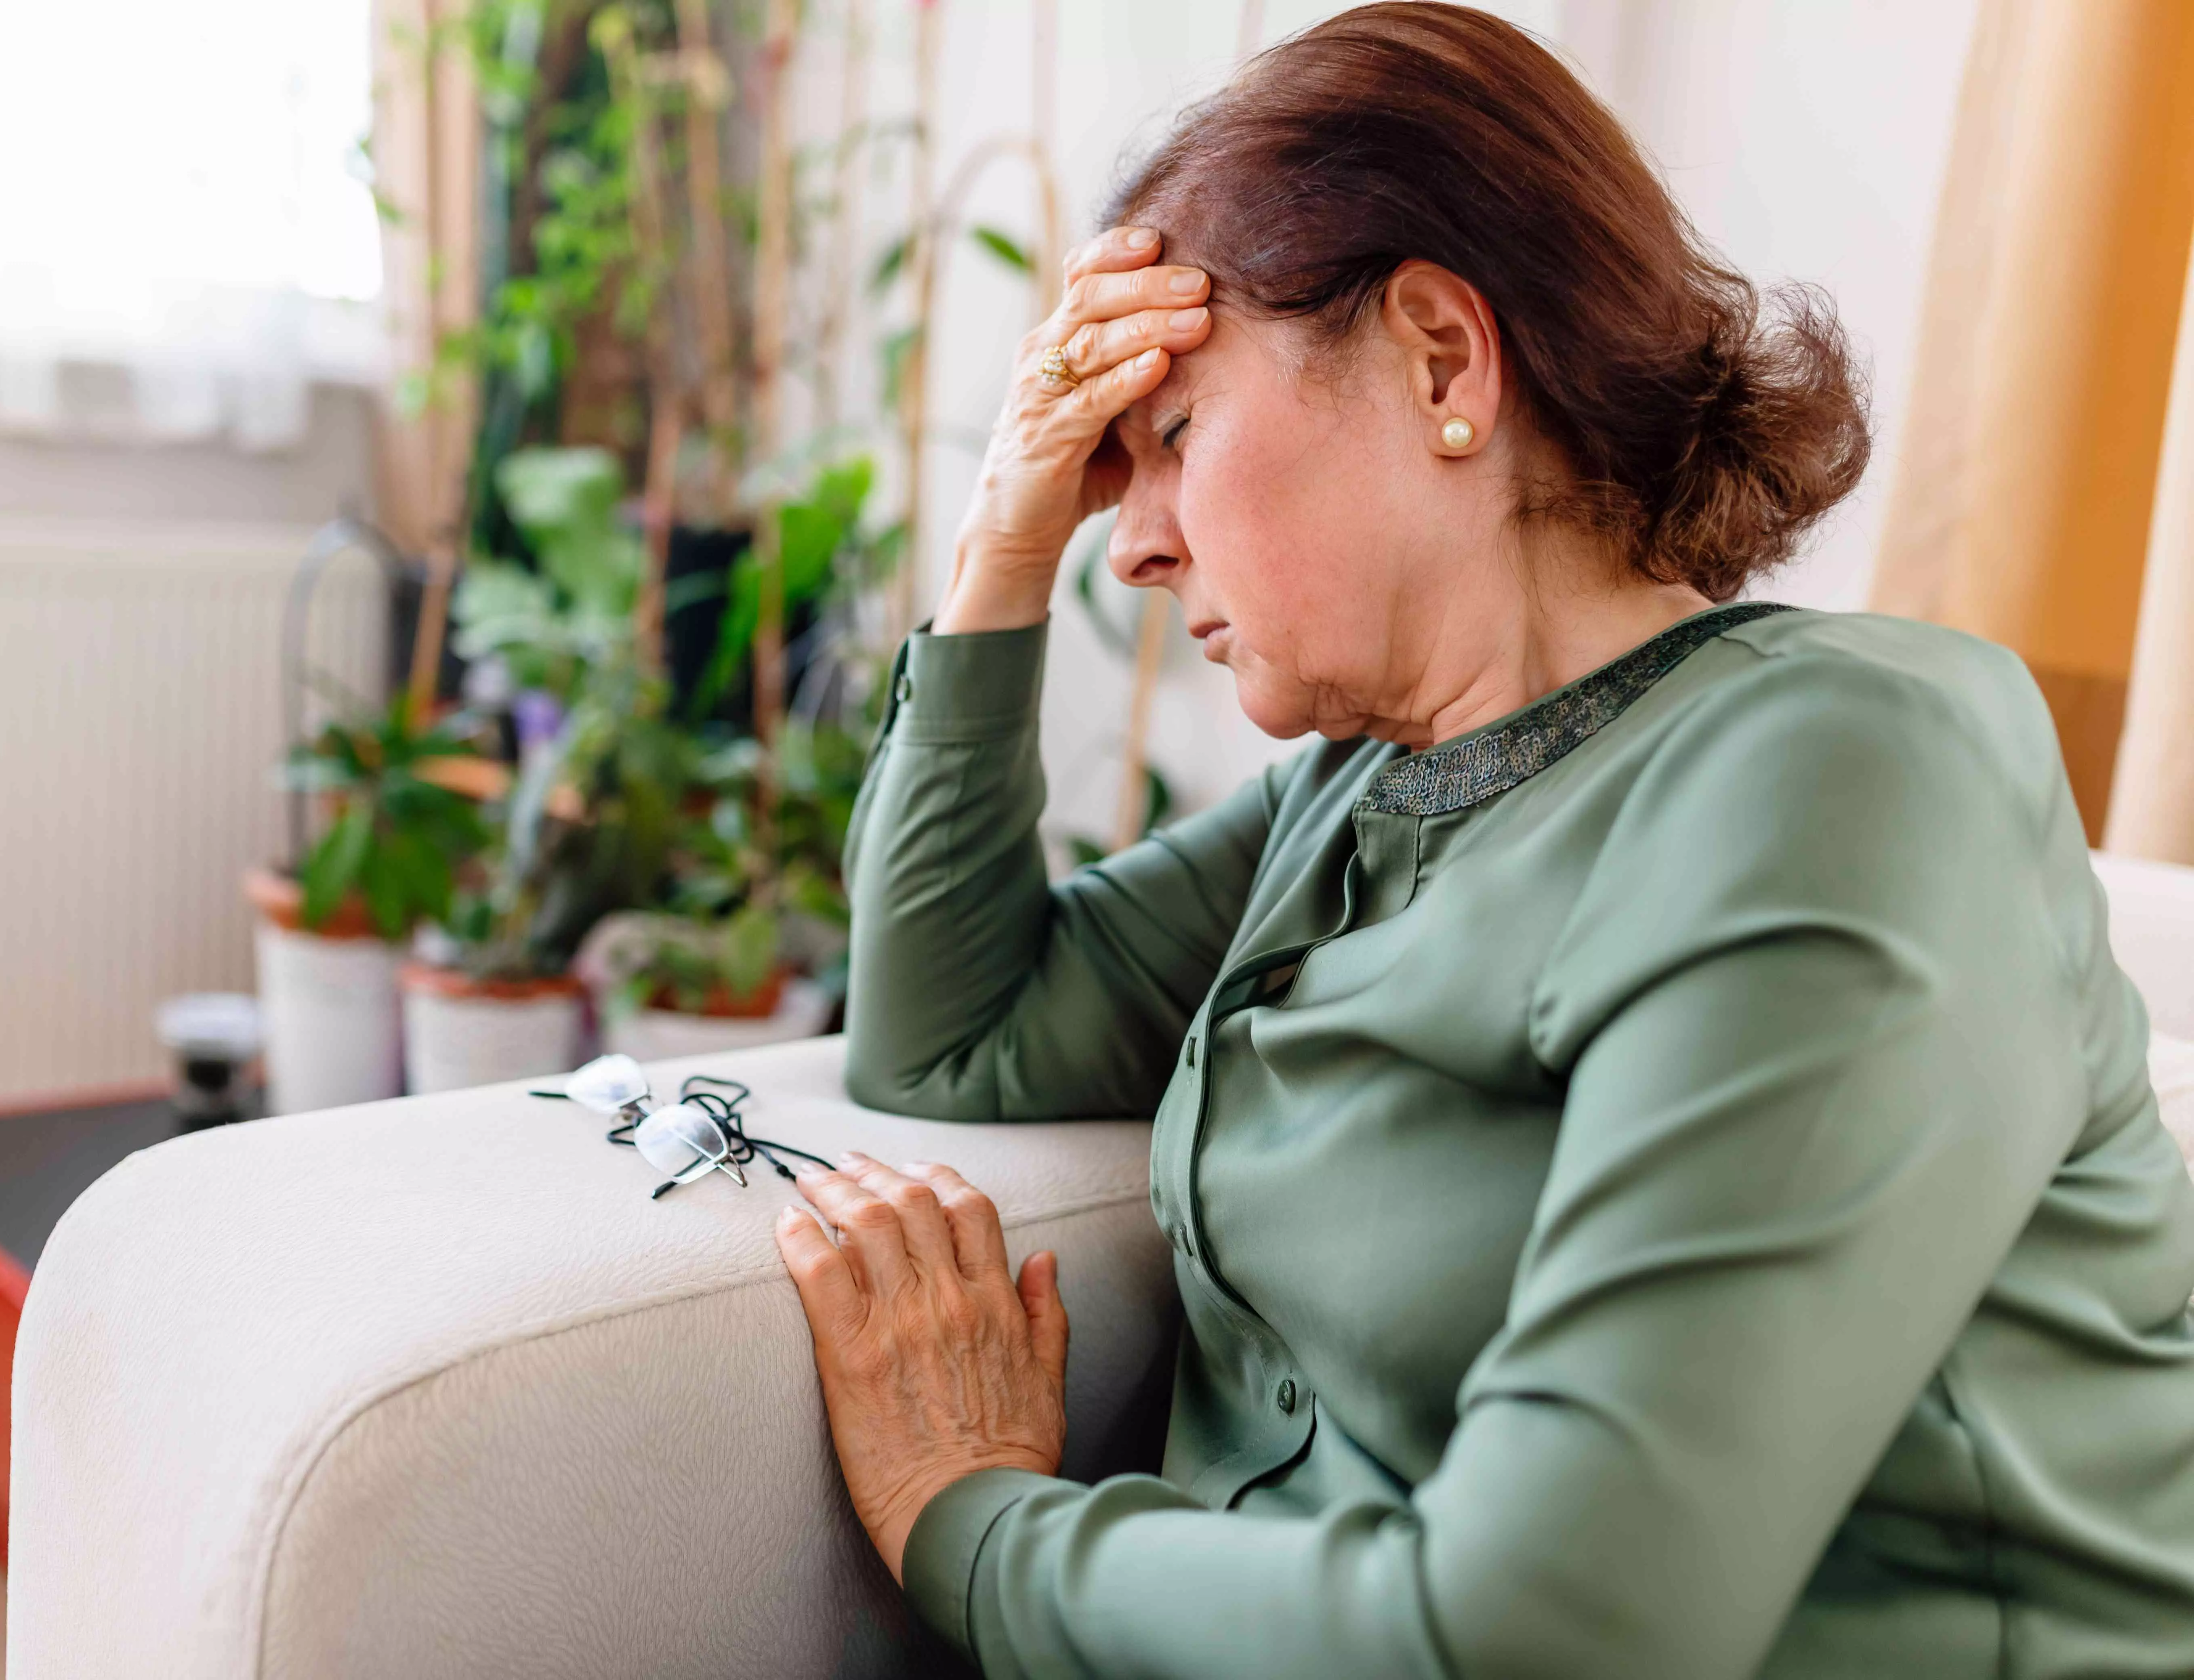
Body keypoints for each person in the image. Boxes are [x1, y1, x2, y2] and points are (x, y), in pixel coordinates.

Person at [769, 6, 2194, 1676]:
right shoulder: (1364, 788)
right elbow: (953, 1034)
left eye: (1169, 435)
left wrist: (975, 1521)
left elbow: (1558, 1632)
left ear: (1443, 358)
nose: (1129, 545)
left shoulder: (1848, 772)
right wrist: (1001, 544)